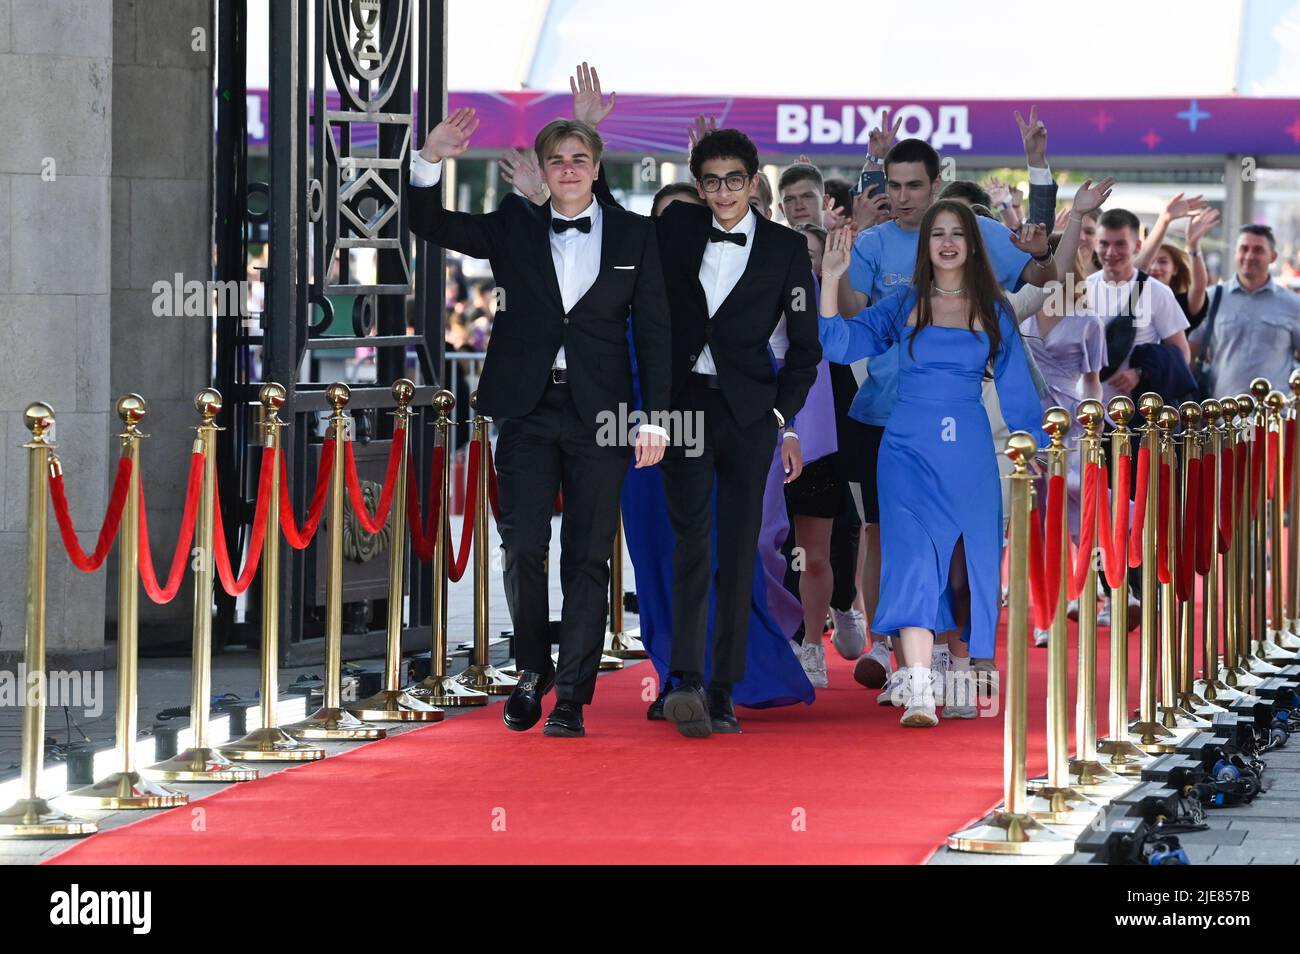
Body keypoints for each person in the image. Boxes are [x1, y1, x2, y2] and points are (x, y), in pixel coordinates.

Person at [408, 106, 671, 739]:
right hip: (526, 410)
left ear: (596, 169)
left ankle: (575, 695)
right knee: (523, 544)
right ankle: (533, 670)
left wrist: (654, 419)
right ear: (544, 173)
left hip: (602, 415)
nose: (569, 169)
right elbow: (427, 221)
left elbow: (658, 335)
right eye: (558, 160)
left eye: (580, 159)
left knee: (586, 557)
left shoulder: (636, 236)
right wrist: (430, 158)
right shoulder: (513, 226)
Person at [835, 115, 1059, 698]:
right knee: (899, 549)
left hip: (966, 443)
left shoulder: (991, 296)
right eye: (939, 236)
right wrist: (831, 275)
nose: (946, 241)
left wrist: (1029, 438)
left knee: (964, 559)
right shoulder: (885, 270)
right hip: (893, 432)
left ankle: (963, 666)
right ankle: (909, 671)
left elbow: (1041, 267)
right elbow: (842, 335)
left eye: (955, 233)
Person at [652, 127, 821, 737]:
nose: (723, 192)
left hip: (751, 415)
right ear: (699, 187)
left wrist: (782, 417)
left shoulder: (784, 249)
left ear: (754, 183)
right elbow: (610, 224)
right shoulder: (675, 233)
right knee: (692, 544)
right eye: (711, 181)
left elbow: (805, 349)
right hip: (685, 407)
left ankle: (724, 690)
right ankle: (687, 681)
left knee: (738, 549)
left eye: (735, 180)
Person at [1086, 207, 1192, 404]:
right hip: (1087, 415)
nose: (1111, 252)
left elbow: (1181, 355)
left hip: (1138, 419)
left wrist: (1141, 372)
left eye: (1120, 244)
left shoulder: (1157, 292)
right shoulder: (1083, 289)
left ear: (1136, 246)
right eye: (1104, 244)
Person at [1190, 224, 1300, 398]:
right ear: (1236, 253)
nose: (1249, 256)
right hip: (1221, 417)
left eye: (1258, 250)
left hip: (1275, 418)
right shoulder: (1211, 298)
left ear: (1273, 257)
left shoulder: (1293, 305)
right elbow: (1190, 354)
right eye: (1244, 249)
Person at [1144, 207, 1220, 328]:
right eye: (1150, 261)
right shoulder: (1132, 298)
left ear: (1175, 269)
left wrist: (1193, 246)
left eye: (1163, 262)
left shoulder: (1181, 304)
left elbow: (1198, 288)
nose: (1155, 267)